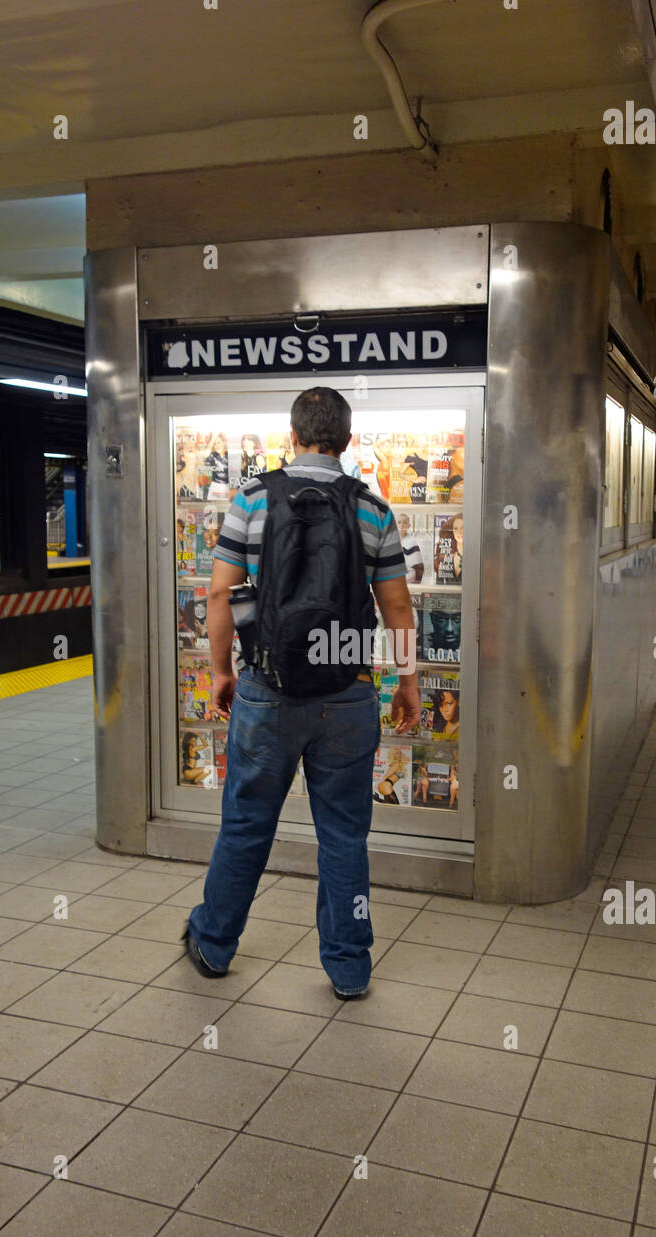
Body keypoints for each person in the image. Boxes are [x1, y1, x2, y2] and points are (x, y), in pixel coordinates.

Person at [184, 386, 420, 1000]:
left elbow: (218, 596)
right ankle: (348, 965)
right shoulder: (374, 509)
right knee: (343, 834)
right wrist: (408, 682)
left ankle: (212, 944)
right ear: (348, 439)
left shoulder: (252, 499)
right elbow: (396, 608)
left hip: (266, 688)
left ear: (292, 436)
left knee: (245, 824)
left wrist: (221, 673)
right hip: (347, 693)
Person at [396, 512, 424, 583]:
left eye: (405, 522)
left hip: (408, 582)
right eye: (399, 522)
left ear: (409, 525)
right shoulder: (391, 541)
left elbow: (418, 569)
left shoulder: (412, 543)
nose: (401, 525)